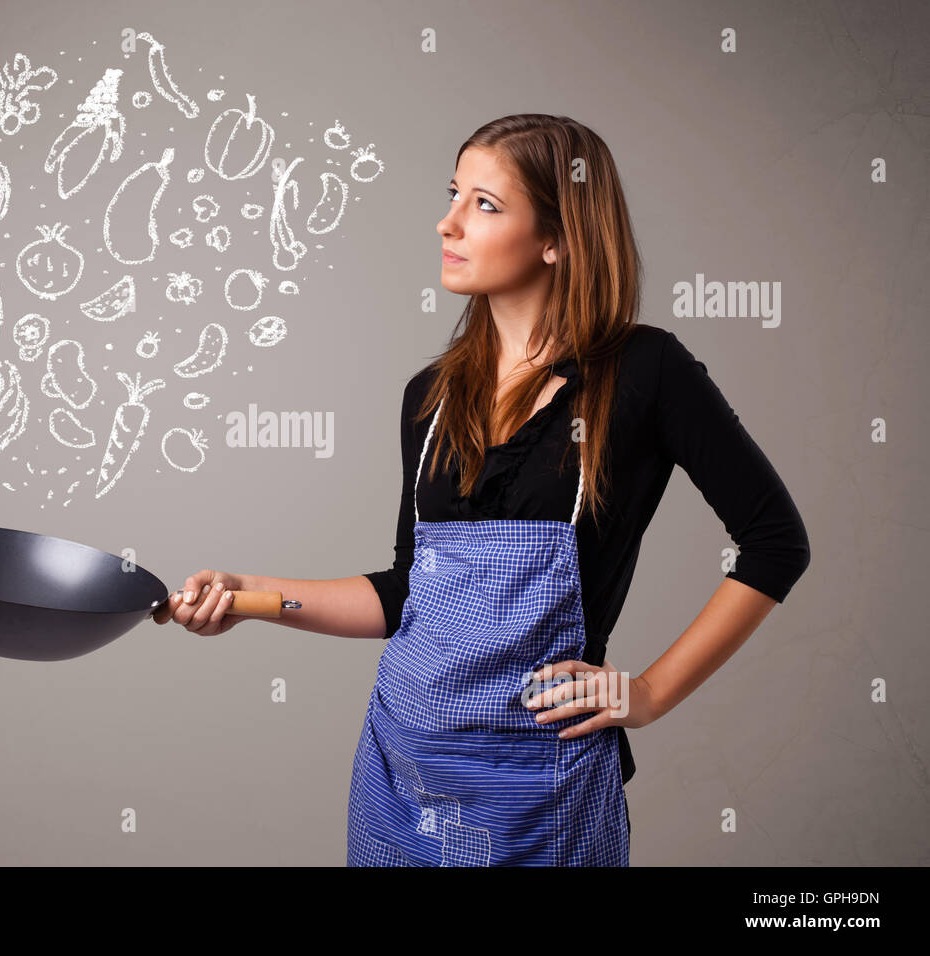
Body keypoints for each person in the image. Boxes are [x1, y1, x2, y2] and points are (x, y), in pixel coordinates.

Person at [152, 114, 810, 866]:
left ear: (557, 238)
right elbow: (411, 593)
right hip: (399, 777)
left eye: (484, 205)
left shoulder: (644, 373)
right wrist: (252, 594)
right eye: (453, 194)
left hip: (541, 788)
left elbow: (774, 541)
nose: (448, 221)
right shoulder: (429, 397)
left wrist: (651, 693)